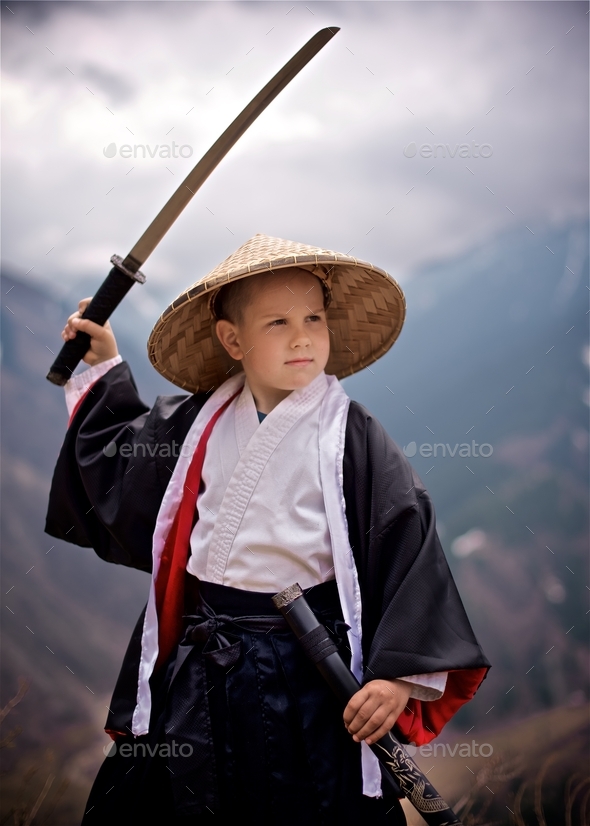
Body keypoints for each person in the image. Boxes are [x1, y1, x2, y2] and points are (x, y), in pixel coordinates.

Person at [46, 234, 490, 825]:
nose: (303, 336)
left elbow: (411, 554)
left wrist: (396, 681)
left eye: (313, 317)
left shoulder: (352, 438)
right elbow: (122, 467)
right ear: (233, 340)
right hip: (202, 666)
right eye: (277, 322)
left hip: (310, 673)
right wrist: (103, 363)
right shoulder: (198, 423)